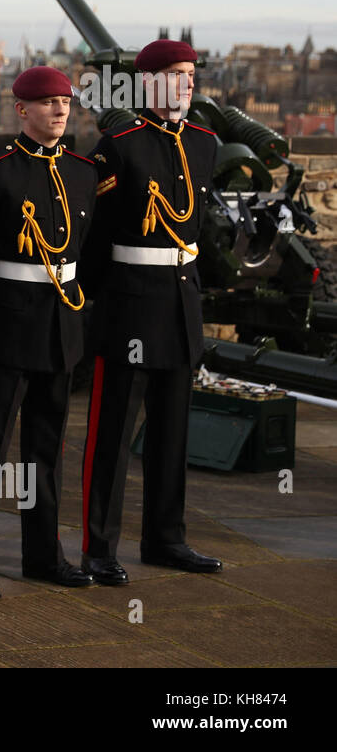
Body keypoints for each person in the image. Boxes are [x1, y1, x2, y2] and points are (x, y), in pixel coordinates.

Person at [0, 66, 97, 601]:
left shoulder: (82, 172)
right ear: (21, 110)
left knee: (45, 449)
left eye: (65, 102)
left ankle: (43, 556)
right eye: (46, 103)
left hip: (61, 327)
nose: (58, 110)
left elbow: (88, 254)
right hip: (7, 326)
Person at [80, 39, 221, 584]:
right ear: (147, 83)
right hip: (128, 301)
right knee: (111, 431)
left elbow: (197, 229)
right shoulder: (118, 146)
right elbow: (94, 233)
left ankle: (167, 538)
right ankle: (99, 546)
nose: (187, 82)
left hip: (181, 299)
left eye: (191, 74)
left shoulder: (205, 143)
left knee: (172, 430)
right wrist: (98, 298)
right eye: (175, 74)